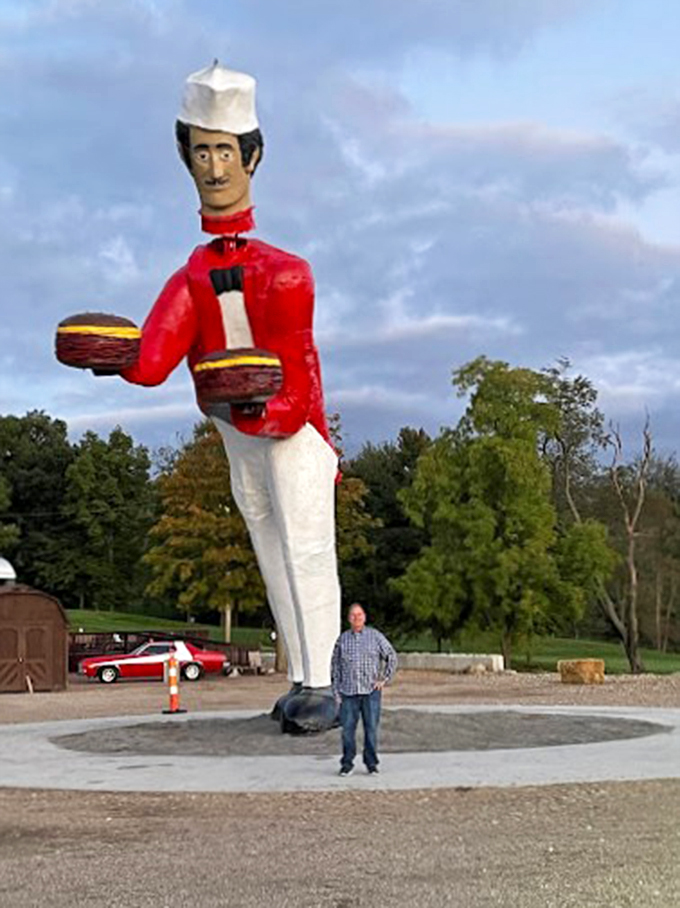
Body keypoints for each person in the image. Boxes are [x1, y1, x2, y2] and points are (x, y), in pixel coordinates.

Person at [100, 62, 340, 733]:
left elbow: (298, 380)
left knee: (306, 550)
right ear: (187, 159)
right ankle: (303, 678)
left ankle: (327, 682)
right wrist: (109, 354)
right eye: (202, 152)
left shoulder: (287, 273)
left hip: (291, 438)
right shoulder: (192, 276)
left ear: (252, 157)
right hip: (238, 441)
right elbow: (153, 361)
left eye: (226, 151)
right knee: (271, 554)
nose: (214, 167)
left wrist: (257, 403)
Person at [331, 603, 397, 776]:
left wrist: (384, 679)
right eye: (353, 615)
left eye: (359, 615)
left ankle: (371, 763)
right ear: (349, 619)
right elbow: (335, 667)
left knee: (371, 729)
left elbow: (391, 655)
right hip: (348, 693)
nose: (356, 618)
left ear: (364, 617)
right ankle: (347, 763)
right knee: (347, 731)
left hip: (370, 692)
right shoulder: (342, 640)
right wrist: (336, 692)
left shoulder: (375, 636)